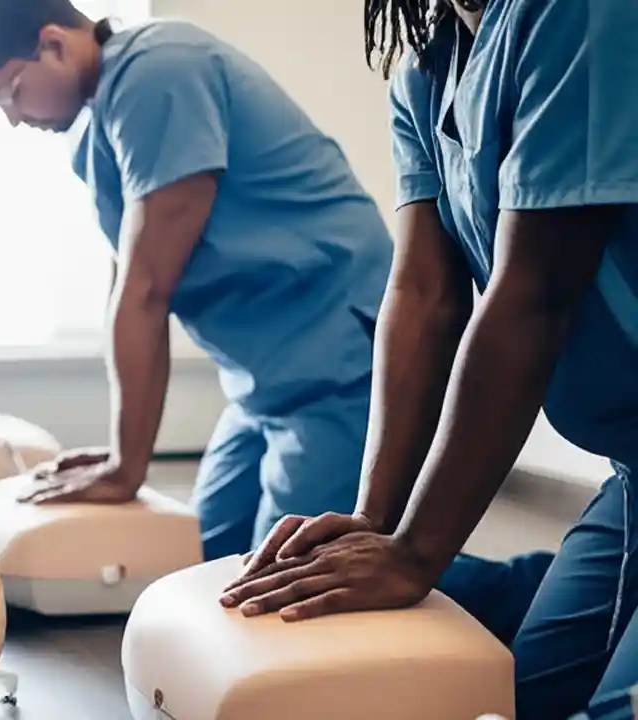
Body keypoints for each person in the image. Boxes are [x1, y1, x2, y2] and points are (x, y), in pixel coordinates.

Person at [219, 1, 638, 718]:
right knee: (528, 694)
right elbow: (424, 293)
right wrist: (375, 523)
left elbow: (532, 295)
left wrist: (417, 551)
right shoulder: (426, 71)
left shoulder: (583, 12)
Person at [0, 0, 393, 562]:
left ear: (54, 44)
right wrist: (119, 454)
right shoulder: (96, 127)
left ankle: (519, 589)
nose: (13, 117)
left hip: (339, 361)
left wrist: (125, 467)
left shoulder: (160, 70)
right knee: (199, 561)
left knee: (292, 577)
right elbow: (135, 285)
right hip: (262, 382)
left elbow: (145, 289)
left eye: (10, 92)